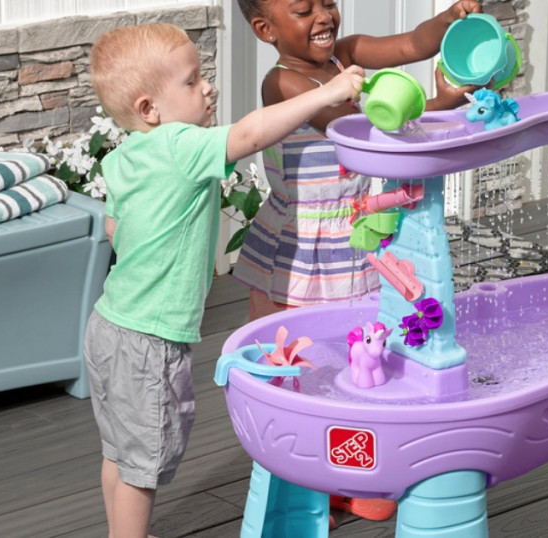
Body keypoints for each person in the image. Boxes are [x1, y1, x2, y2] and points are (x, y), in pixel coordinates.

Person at [85, 23, 363, 538]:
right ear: (150, 108)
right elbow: (252, 134)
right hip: (149, 339)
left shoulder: (124, 156)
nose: (208, 87)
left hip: (108, 325)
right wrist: (327, 93)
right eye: (192, 81)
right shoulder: (179, 144)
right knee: (144, 465)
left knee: (120, 451)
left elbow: (113, 228)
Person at [230, 0, 483, 524]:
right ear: (265, 29)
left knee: (361, 352)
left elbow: (411, 44)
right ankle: (303, 476)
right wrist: (440, 103)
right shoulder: (283, 84)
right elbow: (355, 128)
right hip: (299, 250)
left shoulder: (345, 55)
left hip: (353, 235)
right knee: (296, 364)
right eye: (303, 10)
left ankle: (351, 474)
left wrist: (451, 20)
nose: (323, 15)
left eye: (328, 2)